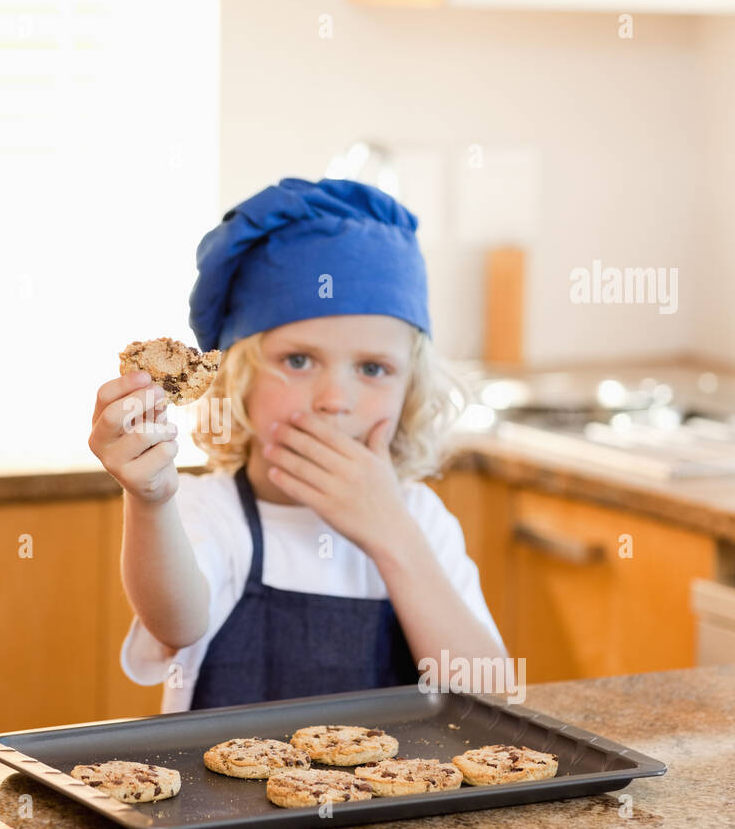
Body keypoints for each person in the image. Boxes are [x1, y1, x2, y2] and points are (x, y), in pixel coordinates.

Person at [89, 177, 505, 712]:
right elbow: (177, 623)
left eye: (373, 368)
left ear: (412, 389)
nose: (335, 399)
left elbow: (490, 699)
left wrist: (390, 534)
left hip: (390, 797)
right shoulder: (208, 511)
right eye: (299, 361)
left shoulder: (422, 520)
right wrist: (149, 499)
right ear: (240, 378)